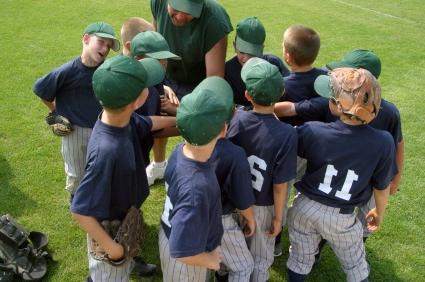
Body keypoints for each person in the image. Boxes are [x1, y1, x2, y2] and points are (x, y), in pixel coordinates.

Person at [274, 49, 404, 242]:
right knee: (330, 216)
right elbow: (294, 108)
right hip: (333, 172)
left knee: (364, 218)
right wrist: (265, 108)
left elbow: (398, 144)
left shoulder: (389, 112)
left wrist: (396, 179)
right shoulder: (333, 101)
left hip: (366, 177)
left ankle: (358, 239)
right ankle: (318, 247)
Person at [286, 68, 397, 282]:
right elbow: (382, 188)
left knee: (299, 259)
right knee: (355, 266)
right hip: (342, 217)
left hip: (305, 207)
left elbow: (286, 144)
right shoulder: (383, 142)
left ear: (337, 105)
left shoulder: (313, 130)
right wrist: (378, 211)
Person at [71, 55, 175, 281]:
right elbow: (80, 210)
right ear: (138, 100)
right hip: (111, 230)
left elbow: (151, 123)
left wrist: (185, 121)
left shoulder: (121, 118)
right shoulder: (106, 151)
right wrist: (113, 248)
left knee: (120, 271)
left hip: (125, 214)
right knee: (108, 276)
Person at [227, 58, 297, 282]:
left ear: (247, 95)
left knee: (232, 252)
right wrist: (279, 217)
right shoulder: (287, 133)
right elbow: (279, 185)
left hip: (233, 200)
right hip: (264, 204)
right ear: (281, 94)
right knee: (260, 258)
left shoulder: (237, 120)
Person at [32, 22, 120, 200]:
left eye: (109, 46)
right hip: (75, 133)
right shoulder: (68, 71)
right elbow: (41, 89)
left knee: (99, 169)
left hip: (101, 129)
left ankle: (97, 200)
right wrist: (57, 111)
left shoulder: (106, 70)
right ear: (86, 39)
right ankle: (77, 202)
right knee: (77, 173)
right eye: (102, 42)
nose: (105, 49)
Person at [159, 76, 233, 282]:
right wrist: (209, 260)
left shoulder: (179, 150)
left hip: (175, 233)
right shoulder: (196, 187)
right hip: (187, 258)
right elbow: (181, 250)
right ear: (223, 130)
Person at [207, 77, 257, 281]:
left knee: (222, 262)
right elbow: (243, 200)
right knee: (244, 267)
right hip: (221, 220)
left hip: (194, 215)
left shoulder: (183, 148)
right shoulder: (234, 154)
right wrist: (251, 219)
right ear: (226, 125)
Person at [151, 0, 233, 99]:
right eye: (176, 8)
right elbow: (153, 46)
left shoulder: (215, 20)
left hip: (197, 88)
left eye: (189, 11)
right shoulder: (158, 2)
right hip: (163, 80)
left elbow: (214, 80)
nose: (180, 17)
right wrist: (161, 87)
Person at [130, 30, 181, 185]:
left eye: (165, 60)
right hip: (128, 159)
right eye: (158, 60)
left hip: (140, 155)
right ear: (139, 58)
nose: (164, 65)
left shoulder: (154, 81)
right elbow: (151, 127)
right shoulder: (134, 92)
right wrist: (186, 121)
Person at [224, 16, 290, 108]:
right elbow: (227, 106)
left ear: (262, 49)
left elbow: (290, 90)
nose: (246, 58)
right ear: (235, 46)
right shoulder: (227, 70)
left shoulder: (273, 63)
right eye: (242, 52)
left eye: (252, 54)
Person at [279, 24, 327, 126]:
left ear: (288, 57)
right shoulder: (326, 78)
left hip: (293, 137)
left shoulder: (281, 85)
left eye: (283, 45)